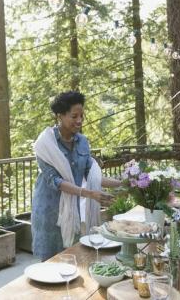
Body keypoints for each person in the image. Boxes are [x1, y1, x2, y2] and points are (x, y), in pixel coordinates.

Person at [31, 91, 122, 261]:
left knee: (71, 258)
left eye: (82, 115)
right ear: (60, 116)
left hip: (72, 210)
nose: (79, 120)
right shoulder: (45, 143)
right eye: (74, 116)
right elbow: (56, 181)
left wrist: (126, 183)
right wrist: (89, 194)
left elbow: (92, 175)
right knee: (50, 263)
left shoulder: (83, 142)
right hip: (49, 210)